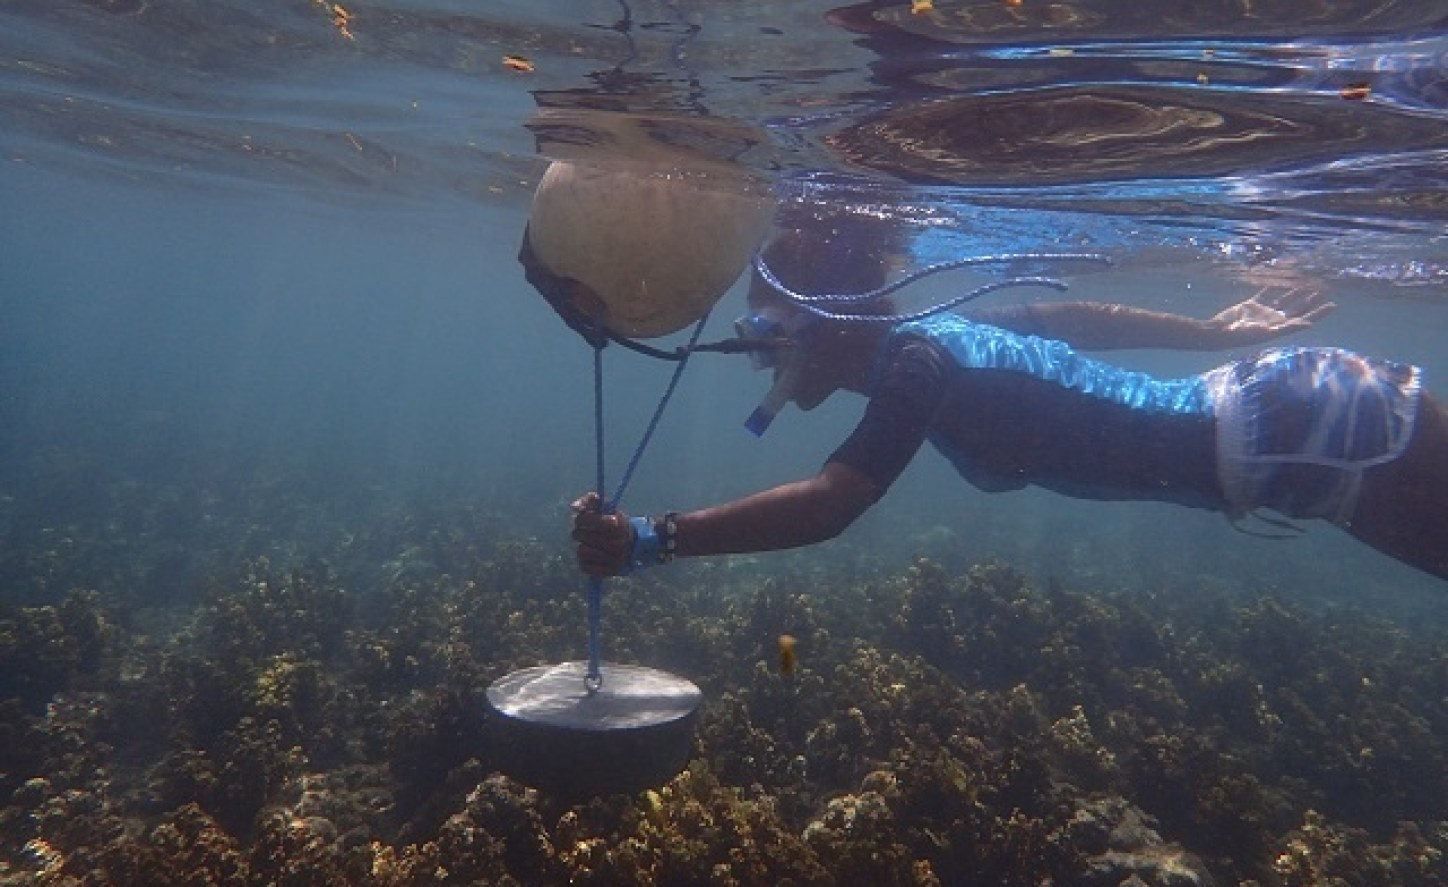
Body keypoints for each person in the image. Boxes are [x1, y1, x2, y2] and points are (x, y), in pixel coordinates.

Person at [564, 211, 1448, 582]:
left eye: (767, 331)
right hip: (1289, 439)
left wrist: (654, 537)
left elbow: (834, 502)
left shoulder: (919, 362)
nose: (759, 357)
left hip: (1304, 430)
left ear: (825, 319)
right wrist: (1216, 339)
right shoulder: (943, 338)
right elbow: (1080, 320)